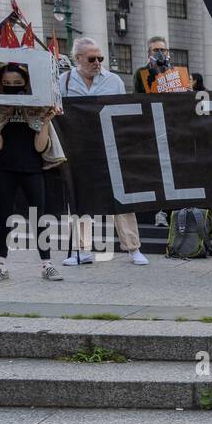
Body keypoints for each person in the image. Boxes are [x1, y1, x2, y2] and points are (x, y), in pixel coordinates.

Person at [58, 36, 148, 266]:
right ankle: (82, 249)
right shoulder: (64, 81)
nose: (97, 62)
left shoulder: (114, 80)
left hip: (110, 147)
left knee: (120, 197)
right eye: (92, 58)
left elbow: (124, 113)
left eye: (100, 58)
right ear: (77, 59)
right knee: (80, 198)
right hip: (77, 149)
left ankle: (133, 247)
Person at [0, 64, 64, 282]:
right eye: (7, 84)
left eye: (17, 83)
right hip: (6, 170)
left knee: (39, 218)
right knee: (3, 218)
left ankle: (47, 264)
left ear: (26, 83)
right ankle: (1, 265)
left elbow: (41, 147)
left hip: (32, 171)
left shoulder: (37, 109)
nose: (12, 87)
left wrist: (47, 121)